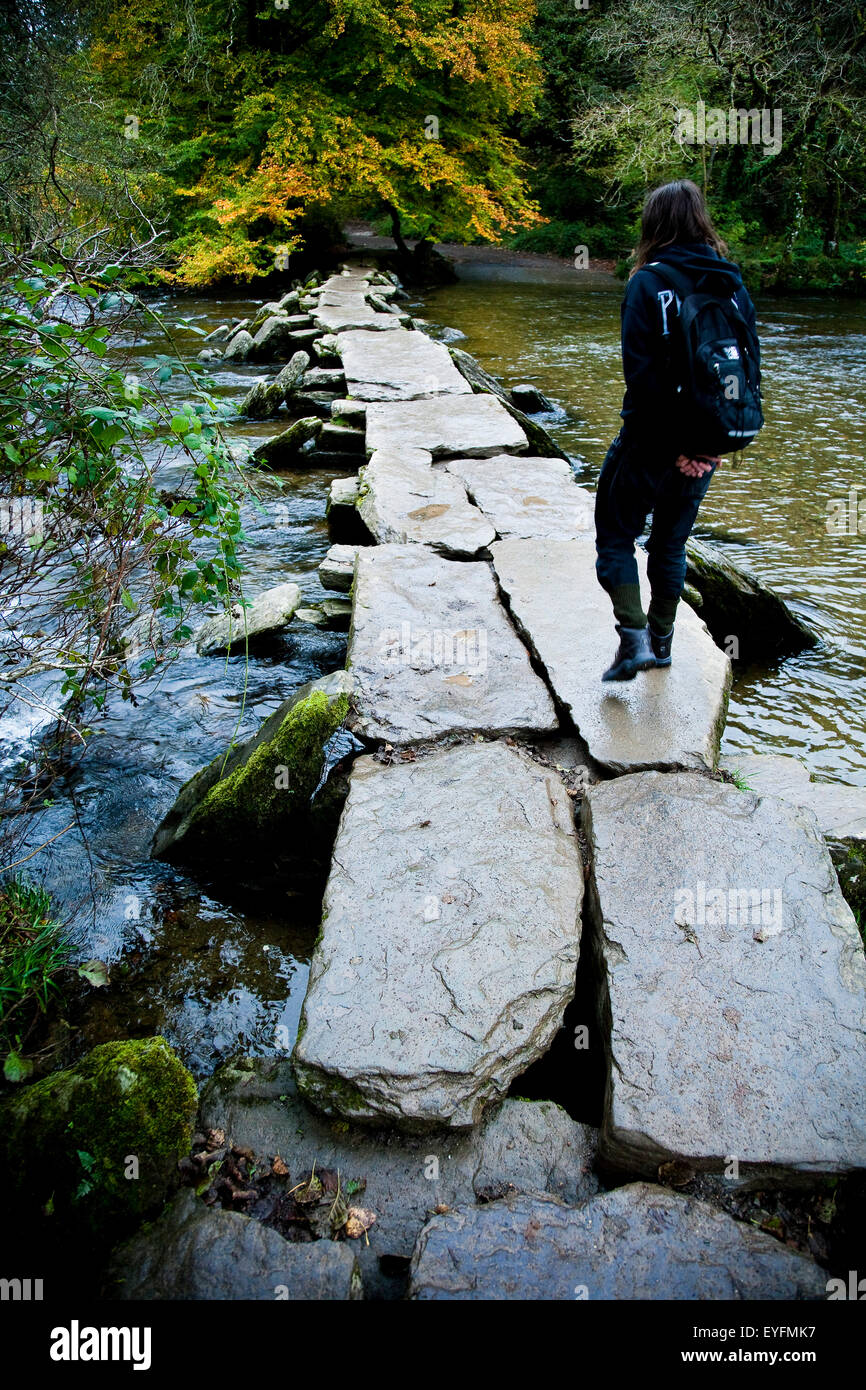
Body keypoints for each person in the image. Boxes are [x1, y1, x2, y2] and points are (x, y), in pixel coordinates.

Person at [595, 179, 759, 680]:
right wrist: (710, 446)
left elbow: (642, 381)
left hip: (650, 444)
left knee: (615, 536)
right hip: (708, 445)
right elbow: (746, 375)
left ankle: (634, 640)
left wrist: (675, 447)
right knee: (670, 543)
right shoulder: (732, 285)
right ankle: (662, 645)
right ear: (700, 221)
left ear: (653, 225)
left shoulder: (647, 283)